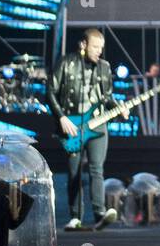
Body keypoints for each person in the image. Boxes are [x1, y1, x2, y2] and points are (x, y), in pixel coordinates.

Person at [46, 28, 118, 231]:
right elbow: (51, 91)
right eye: (95, 47)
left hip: (98, 124)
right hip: (74, 125)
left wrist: (119, 109)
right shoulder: (66, 63)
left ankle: (100, 213)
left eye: (101, 48)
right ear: (83, 45)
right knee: (74, 171)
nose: (99, 51)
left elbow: (108, 97)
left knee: (97, 168)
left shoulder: (104, 67)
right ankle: (76, 216)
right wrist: (61, 117)